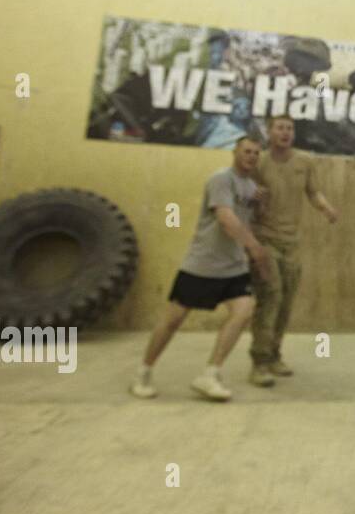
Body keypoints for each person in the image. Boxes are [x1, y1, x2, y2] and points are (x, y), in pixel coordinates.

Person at [131, 135, 273, 401]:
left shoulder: (250, 186)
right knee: (173, 320)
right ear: (235, 152)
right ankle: (144, 372)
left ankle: (210, 373)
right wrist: (255, 248)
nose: (251, 156)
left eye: (256, 153)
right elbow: (226, 219)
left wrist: (259, 204)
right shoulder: (222, 179)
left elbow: (246, 219)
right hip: (203, 265)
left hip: (233, 266)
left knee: (243, 312)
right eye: (247, 151)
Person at [247, 115, 339, 386]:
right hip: (265, 239)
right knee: (271, 297)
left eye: (289, 129)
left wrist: (326, 208)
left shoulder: (305, 162)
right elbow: (244, 193)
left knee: (286, 302)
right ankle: (259, 362)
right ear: (269, 132)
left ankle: (275, 355)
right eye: (280, 128)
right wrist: (253, 197)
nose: (285, 133)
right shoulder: (259, 161)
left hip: (292, 243)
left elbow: (313, 192)